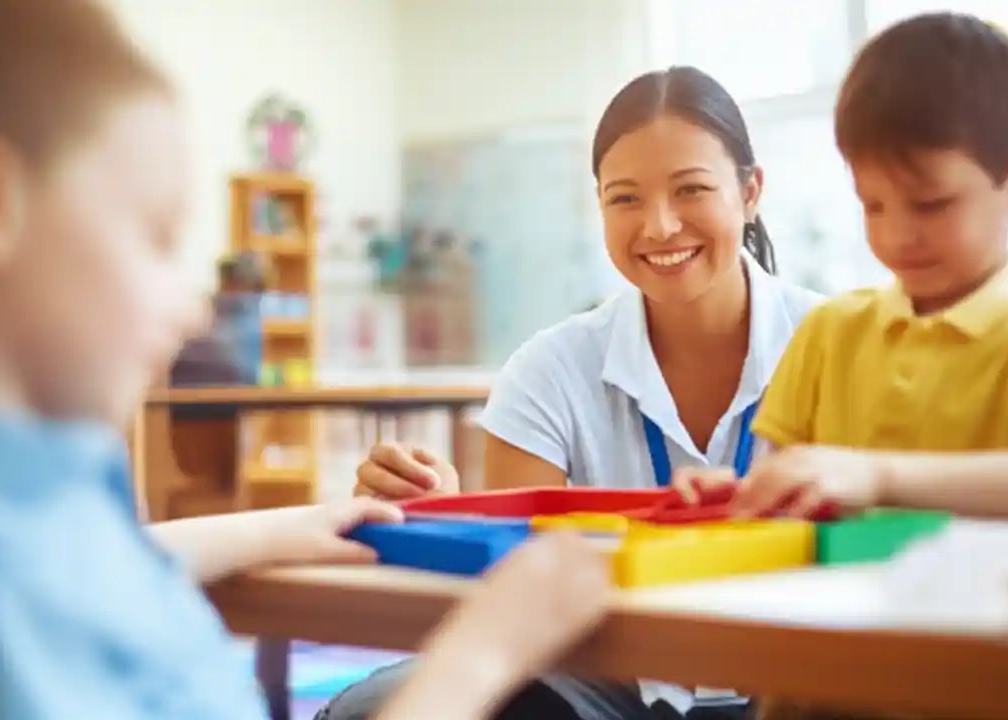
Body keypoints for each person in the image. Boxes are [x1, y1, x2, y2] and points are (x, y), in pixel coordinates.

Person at [0, 1, 611, 718]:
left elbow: (99, 560)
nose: (190, 307)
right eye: (155, 237)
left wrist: (286, 526)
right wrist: (480, 657)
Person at [337, 66, 823, 720]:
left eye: (692, 190)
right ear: (597, 204)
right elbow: (518, 589)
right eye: (625, 199)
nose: (659, 227)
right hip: (610, 684)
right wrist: (443, 517)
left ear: (751, 190)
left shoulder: (833, 344)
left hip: (801, 682)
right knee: (378, 705)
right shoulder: (549, 369)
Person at [675, 13, 1008, 529]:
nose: (896, 236)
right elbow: (788, 482)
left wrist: (879, 477)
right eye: (873, 206)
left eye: (931, 205)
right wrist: (734, 493)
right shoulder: (831, 331)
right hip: (835, 608)